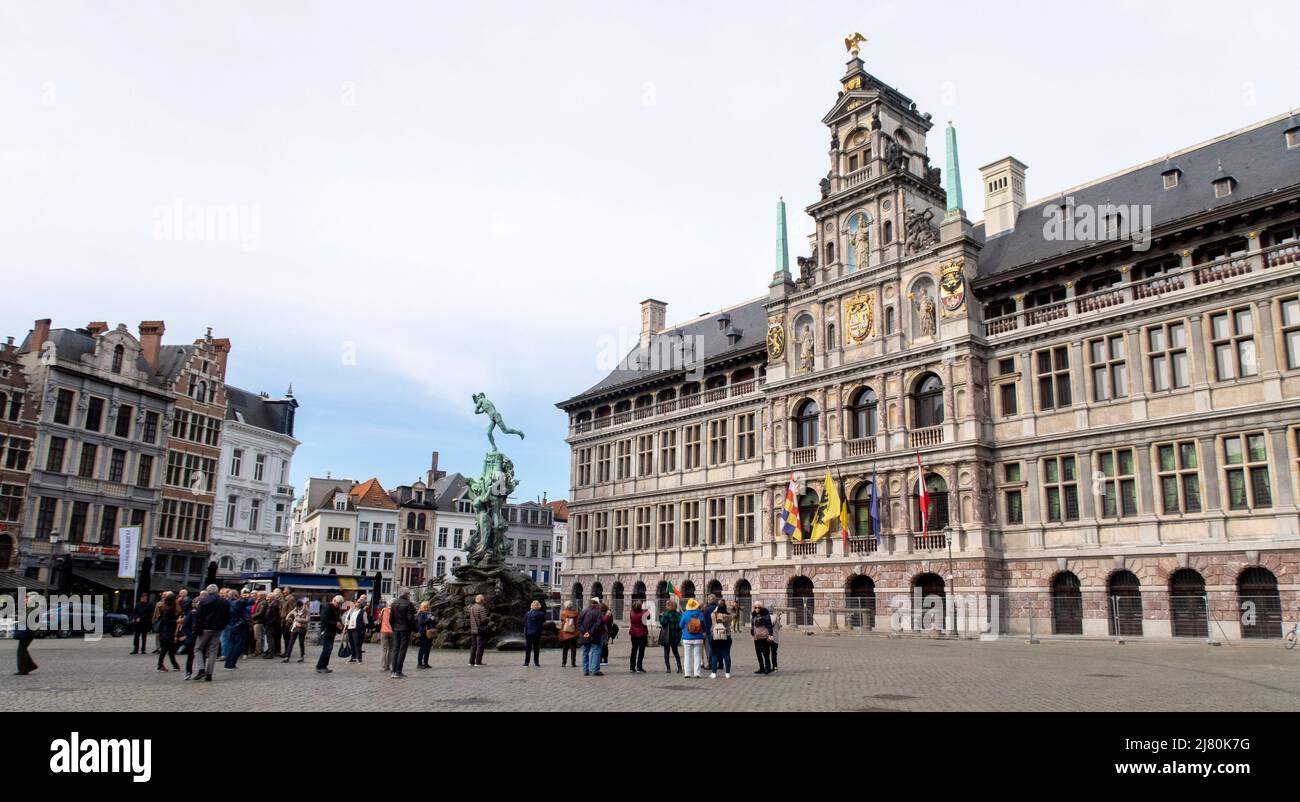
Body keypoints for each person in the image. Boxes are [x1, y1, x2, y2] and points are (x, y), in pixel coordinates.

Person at [193, 585, 230, 682]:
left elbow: (198, 615)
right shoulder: (224, 601)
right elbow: (227, 615)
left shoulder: (204, 601)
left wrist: (197, 627)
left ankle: (201, 669)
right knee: (213, 650)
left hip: (206, 627)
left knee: (198, 648)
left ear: (208, 591)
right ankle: (209, 673)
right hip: (218, 628)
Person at [388, 591, 416, 678]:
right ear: (407, 595)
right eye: (409, 595)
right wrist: (414, 629)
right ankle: (398, 671)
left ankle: (393, 670)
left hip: (396, 628)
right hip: (405, 629)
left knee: (395, 649)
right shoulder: (408, 604)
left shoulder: (394, 603)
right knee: (402, 650)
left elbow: (391, 618)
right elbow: (410, 618)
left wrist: (393, 627)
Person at [577, 597, 605, 676]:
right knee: (595, 652)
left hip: (584, 636)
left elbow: (578, 623)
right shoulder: (598, 612)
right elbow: (597, 624)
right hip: (595, 636)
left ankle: (585, 670)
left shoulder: (583, 611)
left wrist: (584, 632)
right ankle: (594, 670)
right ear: (596, 604)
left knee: (585, 652)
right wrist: (589, 632)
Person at [679, 598, 706, 678]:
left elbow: (680, 625)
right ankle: (697, 673)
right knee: (697, 655)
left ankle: (687, 673)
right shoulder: (700, 614)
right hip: (698, 638)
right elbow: (704, 626)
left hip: (687, 638)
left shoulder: (685, 614)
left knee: (687, 655)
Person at [317, 595, 344, 673]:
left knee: (329, 649)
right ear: (334, 600)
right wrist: (335, 624)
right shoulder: (327, 607)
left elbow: (338, 619)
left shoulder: (337, 609)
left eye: (340, 604)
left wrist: (340, 627)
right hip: (326, 631)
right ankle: (320, 666)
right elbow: (323, 619)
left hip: (332, 632)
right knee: (327, 649)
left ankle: (324, 665)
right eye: (338, 603)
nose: (339, 605)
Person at [155, 591, 181, 672]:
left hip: (167, 631)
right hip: (167, 631)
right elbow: (166, 620)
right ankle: (160, 665)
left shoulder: (167, 607)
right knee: (165, 649)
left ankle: (175, 665)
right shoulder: (168, 609)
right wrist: (176, 621)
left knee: (170, 649)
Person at [13, 591, 37, 676]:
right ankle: (30, 666)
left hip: (28, 631)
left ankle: (23, 669)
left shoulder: (33, 606)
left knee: (21, 650)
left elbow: (27, 617)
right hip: (29, 631)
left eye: (27, 597)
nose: (25, 599)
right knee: (23, 649)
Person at [180, 590, 202, 679]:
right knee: (191, 655)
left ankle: (200, 670)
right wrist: (189, 635)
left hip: (199, 636)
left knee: (198, 654)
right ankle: (188, 672)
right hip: (194, 636)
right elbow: (185, 625)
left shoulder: (200, 613)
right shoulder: (192, 613)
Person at [708, 600, 733, 679]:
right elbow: (733, 614)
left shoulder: (713, 615)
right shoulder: (729, 616)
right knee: (726, 655)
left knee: (714, 655)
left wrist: (717, 609)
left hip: (715, 636)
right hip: (726, 636)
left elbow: (713, 613)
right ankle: (727, 673)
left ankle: (714, 673)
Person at [657, 599, 682, 674]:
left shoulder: (666, 614)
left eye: (667, 605)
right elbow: (680, 625)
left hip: (667, 637)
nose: (666, 606)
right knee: (676, 652)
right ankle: (679, 668)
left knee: (666, 652)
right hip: (675, 636)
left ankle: (668, 668)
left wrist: (660, 616)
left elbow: (663, 623)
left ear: (670, 606)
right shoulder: (678, 614)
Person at [750, 601, 774, 675]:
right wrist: (752, 632)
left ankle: (768, 668)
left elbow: (769, 625)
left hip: (764, 636)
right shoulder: (753, 614)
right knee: (758, 652)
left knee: (765, 652)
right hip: (757, 636)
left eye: (758, 607)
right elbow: (752, 625)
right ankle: (761, 668)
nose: (757, 609)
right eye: (755, 607)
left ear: (761, 607)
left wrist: (770, 634)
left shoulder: (765, 614)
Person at [467, 594, 489, 667]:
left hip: (473, 629)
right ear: (482, 600)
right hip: (480, 630)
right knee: (480, 646)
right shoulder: (481, 608)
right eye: (483, 599)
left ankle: (471, 662)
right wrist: (488, 619)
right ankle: (478, 662)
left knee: (474, 646)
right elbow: (483, 620)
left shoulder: (472, 607)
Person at [627, 601, 649, 673]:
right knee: (641, 651)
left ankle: (632, 667)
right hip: (642, 634)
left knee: (633, 650)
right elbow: (648, 617)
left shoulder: (631, 613)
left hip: (633, 633)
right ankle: (639, 666)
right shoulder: (643, 614)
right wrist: (647, 610)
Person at [522, 600, 545, 667]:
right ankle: (536, 662)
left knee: (528, 648)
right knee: (536, 648)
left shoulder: (527, 614)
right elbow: (543, 621)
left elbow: (524, 622)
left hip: (529, 632)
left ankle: (526, 662)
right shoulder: (541, 614)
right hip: (537, 632)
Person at [344, 598, 366, 663]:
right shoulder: (351, 610)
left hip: (357, 629)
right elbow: (347, 619)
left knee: (357, 643)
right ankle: (353, 657)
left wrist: (361, 628)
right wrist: (345, 628)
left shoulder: (362, 612)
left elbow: (365, 621)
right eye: (357, 602)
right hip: (350, 628)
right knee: (352, 643)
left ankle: (359, 658)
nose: (357, 603)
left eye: (359, 602)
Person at [558, 601, 579, 668]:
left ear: (565, 606)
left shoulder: (563, 613)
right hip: (574, 633)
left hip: (565, 633)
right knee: (573, 649)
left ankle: (563, 663)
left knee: (565, 649)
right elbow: (577, 623)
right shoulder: (575, 613)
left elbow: (562, 621)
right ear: (571, 606)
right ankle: (573, 663)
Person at [416, 601, 434, 669]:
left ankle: (426, 663)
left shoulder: (429, 613)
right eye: (427, 606)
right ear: (423, 607)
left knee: (428, 648)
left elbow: (432, 622)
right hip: (423, 632)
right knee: (422, 648)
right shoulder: (421, 614)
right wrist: (429, 619)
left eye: (428, 606)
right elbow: (421, 622)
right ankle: (419, 663)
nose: (428, 607)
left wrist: (433, 620)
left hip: (429, 632)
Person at [263, 590, 281, 658]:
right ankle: (270, 651)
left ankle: (270, 653)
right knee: (270, 639)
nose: (267, 598)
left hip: (271, 624)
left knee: (270, 639)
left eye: (268, 596)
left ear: (271, 597)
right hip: (270, 623)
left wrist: (269, 622)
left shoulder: (274, 605)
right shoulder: (272, 604)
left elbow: (275, 616)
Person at [279, 587, 297, 656]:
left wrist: (289, 621)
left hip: (287, 620)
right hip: (284, 620)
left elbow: (291, 610)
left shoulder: (291, 599)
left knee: (287, 637)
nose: (283, 591)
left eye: (284, 590)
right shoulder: (285, 598)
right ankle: (286, 651)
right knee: (285, 637)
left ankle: (287, 652)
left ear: (288, 591)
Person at [378, 601, 394, 672]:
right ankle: (388, 666)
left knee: (384, 649)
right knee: (391, 649)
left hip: (384, 631)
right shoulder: (395, 611)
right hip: (392, 631)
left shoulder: (383, 610)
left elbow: (379, 619)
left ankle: (383, 666)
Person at [250, 591, 268, 657]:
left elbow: (261, 612)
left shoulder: (263, 603)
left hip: (258, 622)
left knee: (258, 637)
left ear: (263, 596)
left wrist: (252, 616)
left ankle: (258, 651)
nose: (257, 596)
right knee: (260, 637)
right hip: (258, 621)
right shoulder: (260, 602)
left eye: (259, 595)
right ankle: (260, 650)